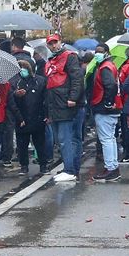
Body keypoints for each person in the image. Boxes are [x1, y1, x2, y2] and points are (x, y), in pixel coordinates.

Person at [43, 34, 83, 182]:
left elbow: (77, 78)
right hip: (58, 104)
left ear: (60, 42)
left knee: (66, 138)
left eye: (55, 43)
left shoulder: (69, 57)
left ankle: (70, 169)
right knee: (66, 139)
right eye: (50, 44)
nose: (53, 46)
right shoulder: (53, 60)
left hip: (65, 103)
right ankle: (70, 167)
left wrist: (73, 98)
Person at [9, 58, 49, 175]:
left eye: (25, 68)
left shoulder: (40, 81)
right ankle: (24, 166)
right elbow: (11, 101)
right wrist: (16, 95)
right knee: (22, 145)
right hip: (22, 118)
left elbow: (46, 99)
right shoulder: (15, 82)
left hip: (38, 117)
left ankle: (43, 165)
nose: (23, 71)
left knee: (40, 143)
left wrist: (47, 115)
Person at [90, 46, 121, 182]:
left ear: (106, 53)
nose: (97, 54)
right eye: (96, 51)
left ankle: (110, 168)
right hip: (111, 108)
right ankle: (113, 166)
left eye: (100, 51)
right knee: (111, 138)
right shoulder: (111, 66)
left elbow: (110, 86)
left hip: (104, 107)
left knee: (106, 139)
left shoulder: (104, 68)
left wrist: (108, 102)